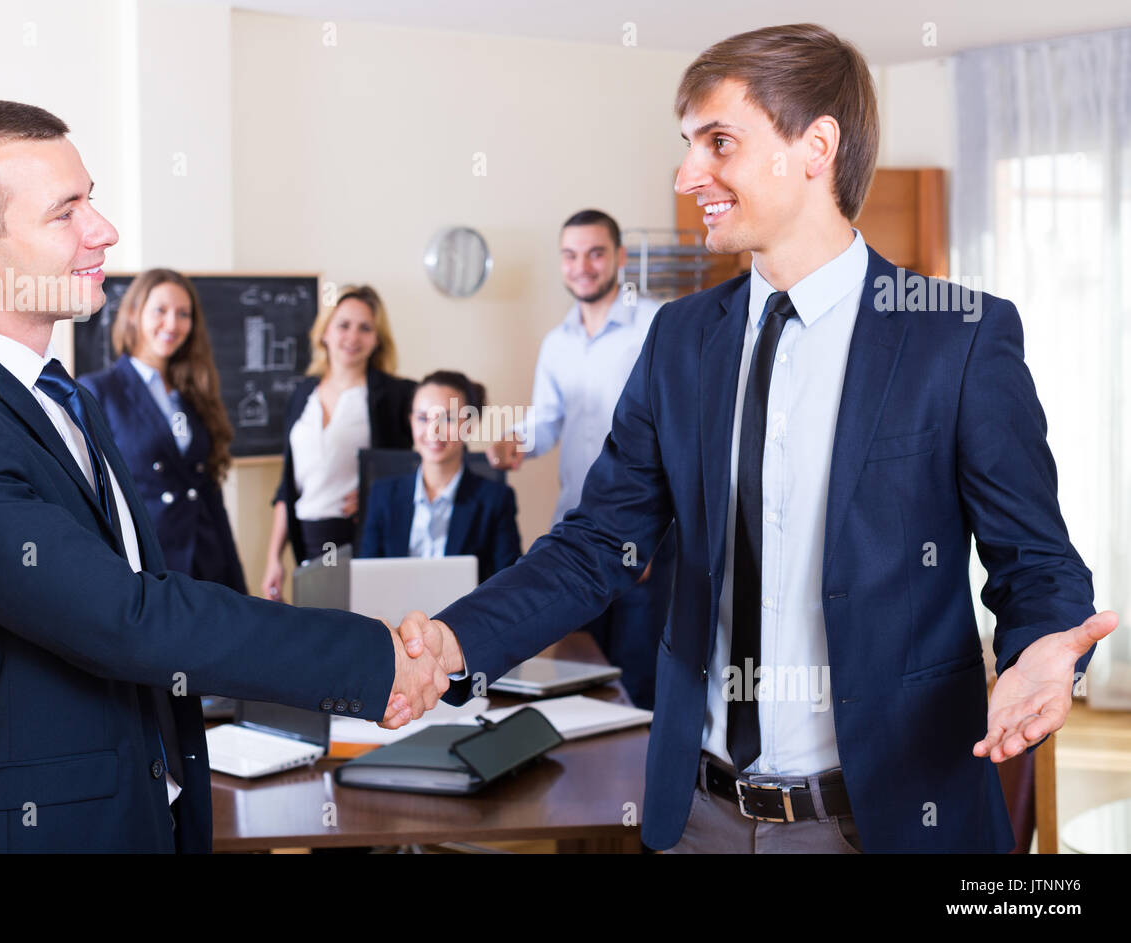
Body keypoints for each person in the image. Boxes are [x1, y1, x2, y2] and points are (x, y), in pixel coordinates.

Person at [395, 24, 1117, 853]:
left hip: (882, 821)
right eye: (688, 145)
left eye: (719, 143)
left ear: (815, 147)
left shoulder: (957, 336)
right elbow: (597, 544)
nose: (686, 174)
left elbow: (1037, 560)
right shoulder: (679, 340)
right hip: (698, 816)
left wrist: (1043, 646)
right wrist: (456, 641)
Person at [0, 100, 447, 853]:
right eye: (66, 213)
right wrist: (372, 658)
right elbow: (125, 617)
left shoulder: (61, 394)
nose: (102, 230)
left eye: (91, 199)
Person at [486, 209, 674, 710]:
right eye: (570, 255)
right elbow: (547, 421)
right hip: (579, 533)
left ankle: (640, 787)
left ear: (619, 257)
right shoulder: (557, 343)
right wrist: (515, 443)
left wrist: (654, 537)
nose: (582, 266)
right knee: (580, 674)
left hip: (644, 539)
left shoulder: (657, 324)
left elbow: (678, 435)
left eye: (595, 253)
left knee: (637, 685)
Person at [79, 269, 246, 594]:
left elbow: (211, 496)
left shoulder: (195, 393)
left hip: (208, 565)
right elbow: (92, 500)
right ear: (133, 314)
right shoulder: (98, 391)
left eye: (183, 314)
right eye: (161, 310)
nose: (172, 324)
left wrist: (238, 585)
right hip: (145, 566)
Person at [263, 285, 416, 599]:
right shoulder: (302, 394)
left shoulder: (395, 396)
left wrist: (378, 489)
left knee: (365, 625)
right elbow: (287, 486)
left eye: (365, 328)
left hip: (361, 534)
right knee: (318, 629)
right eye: (343, 325)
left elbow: (432, 455)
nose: (353, 337)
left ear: (376, 340)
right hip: (307, 534)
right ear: (324, 333)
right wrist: (273, 559)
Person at [360, 370, 522, 582]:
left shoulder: (495, 500)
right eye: (422, 418)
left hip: (463, 615)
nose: (433, 430)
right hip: (394, 615)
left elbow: (509, 584)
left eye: (448, 419)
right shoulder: (383, 495)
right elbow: (366, 580)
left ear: (469, 425)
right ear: (411, 422)